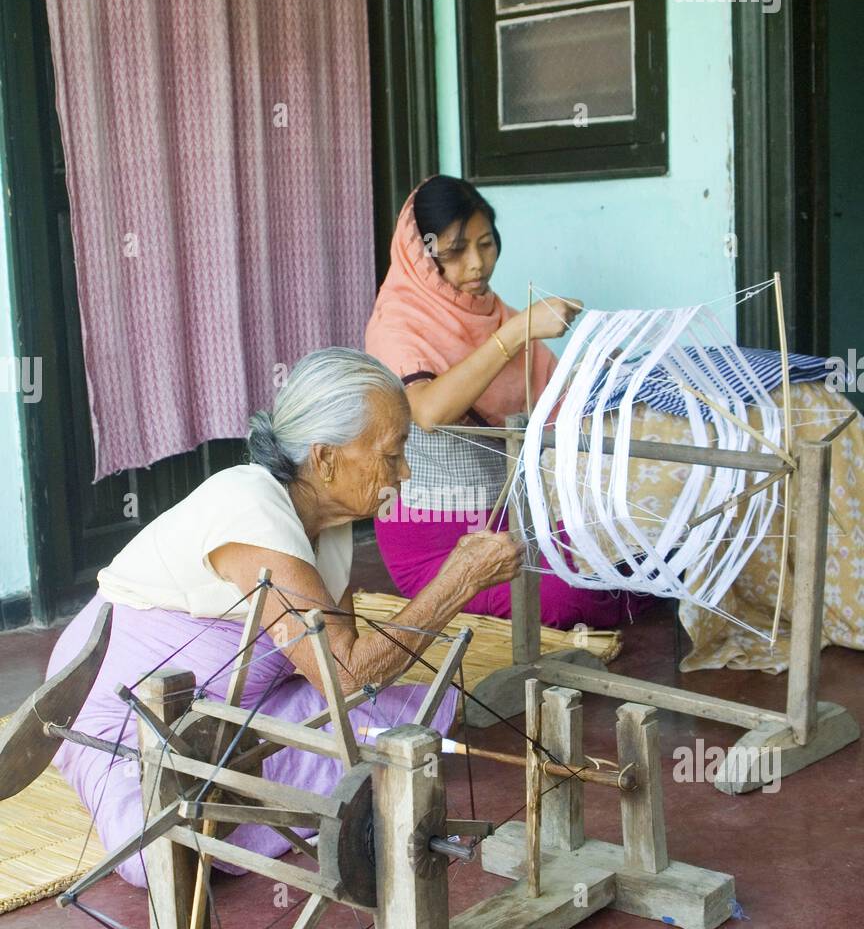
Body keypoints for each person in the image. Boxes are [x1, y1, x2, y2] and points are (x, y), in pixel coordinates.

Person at [45, 348, 523, 887]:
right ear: (325, 460)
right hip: (128, 720)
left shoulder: (333, 523)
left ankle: (244, 785)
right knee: (159, 846)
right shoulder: (248, 504)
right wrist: (457, 580)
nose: (404, 471)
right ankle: (216, 797)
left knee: (400, 721)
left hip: (241, 711)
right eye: (392, 454)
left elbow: (348, 673)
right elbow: (347, 674)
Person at [365, 174, 646, 630]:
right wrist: (515, 335)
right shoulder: (397, 324)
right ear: (422, 254)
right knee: (567, 596)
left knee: (628, 552)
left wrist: (602, 371)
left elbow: (557, 407)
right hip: (436, 543)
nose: (477, 265)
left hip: (511, 520)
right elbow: (430, 411)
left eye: (487, 244)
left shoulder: (496, 315)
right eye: (456, 251)